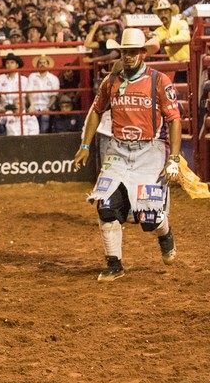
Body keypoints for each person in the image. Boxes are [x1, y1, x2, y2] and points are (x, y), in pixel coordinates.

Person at [72, 28, 182, 282]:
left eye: (133, 52)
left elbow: (174, 119)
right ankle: (114, 263)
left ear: (143, 53)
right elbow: (96, 111)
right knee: (106, 206)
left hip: (150, 150)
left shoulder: (159, 81)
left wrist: (174, 158)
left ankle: (164, 233)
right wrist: (85, 146)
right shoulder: (111, 81)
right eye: (125, 52)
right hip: (118, 150)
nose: (129, 56)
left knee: (149, 218)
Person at [152, 0, 190, 67]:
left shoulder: (181, 23)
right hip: (173, 65)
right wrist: (148, 36)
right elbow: (154, 37)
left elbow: (185, 36)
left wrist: (169, 40)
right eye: (160, 13)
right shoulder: (159, 30)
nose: (163, 15)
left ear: (170, 13)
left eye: (166, 12)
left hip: (187, 64)